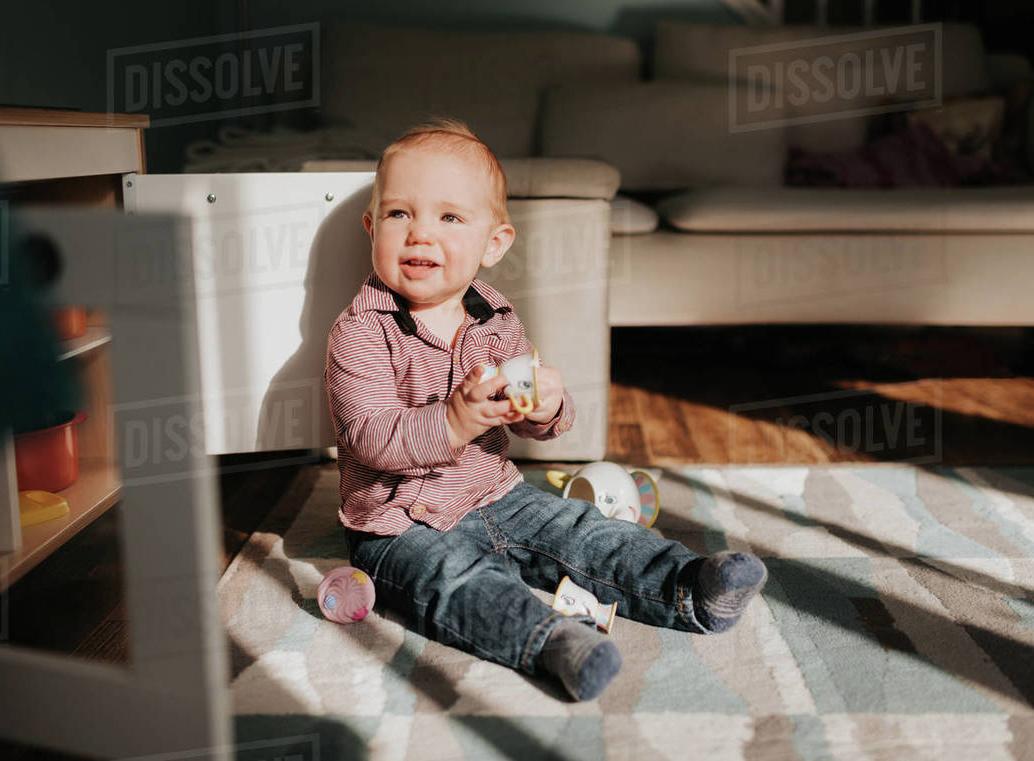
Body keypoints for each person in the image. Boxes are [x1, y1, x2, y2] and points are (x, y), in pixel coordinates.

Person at [324, 119, 767, 701]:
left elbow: (534, 419)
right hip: (398, 524)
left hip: (496, 494)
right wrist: (454, 422)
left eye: (449, 217)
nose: (420, 234)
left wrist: (547, 405)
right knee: (455, 583)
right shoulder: (359, 331)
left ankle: (689, 586)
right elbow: (369, 436)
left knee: (583, 531)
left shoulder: (495, 319)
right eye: (399, 213)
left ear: (494, 244)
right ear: (372, 226)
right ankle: (553, 643)